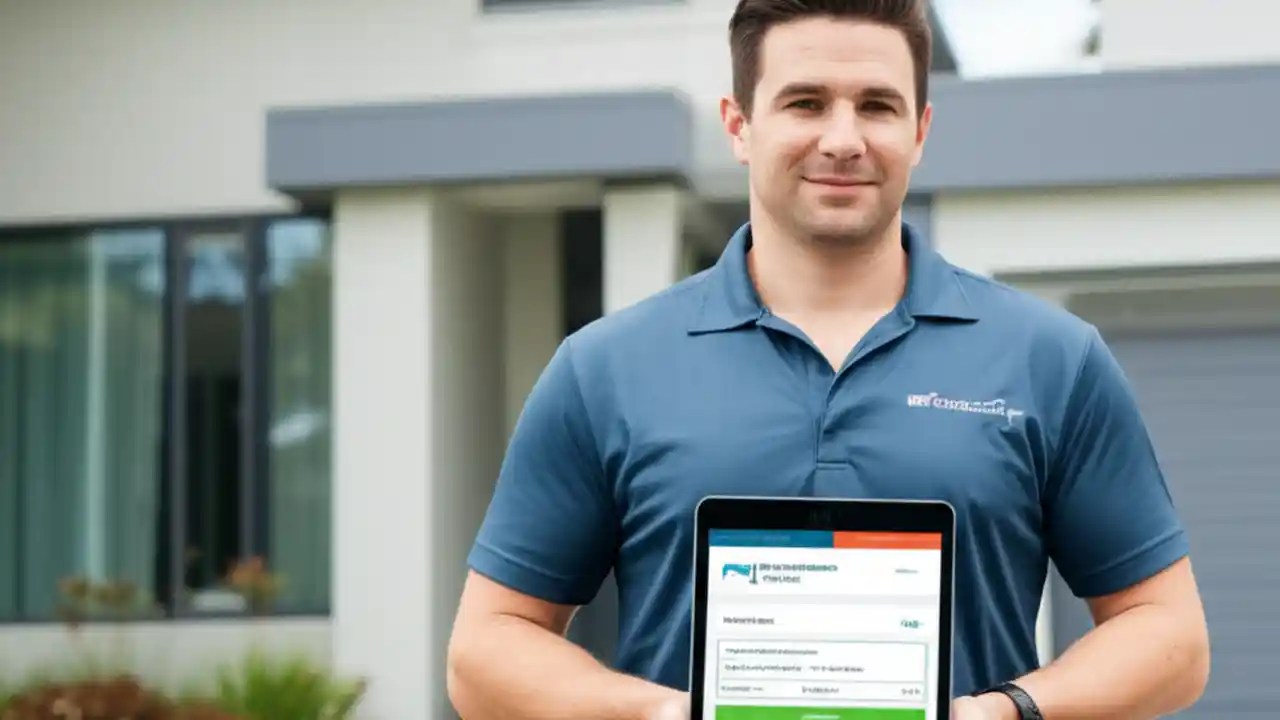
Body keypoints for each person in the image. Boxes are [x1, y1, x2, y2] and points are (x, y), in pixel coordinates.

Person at [446, 1, 1211, 718]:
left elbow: (1171, 638)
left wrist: (1001, 712)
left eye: (877, 104)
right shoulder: (604, 369)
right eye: (805, 102)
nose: (843, 138)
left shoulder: (1052, 360)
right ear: (739, 124)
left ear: (920, 129)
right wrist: (666, 712)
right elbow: (483, 652)